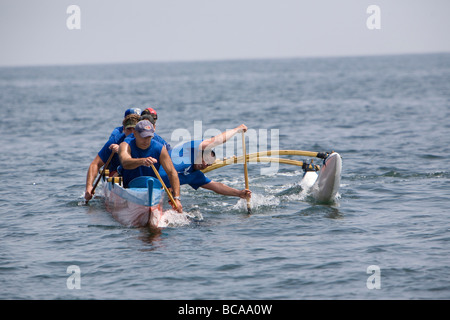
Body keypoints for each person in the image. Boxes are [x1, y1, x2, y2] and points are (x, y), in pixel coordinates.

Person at [159, 124, 252, 200]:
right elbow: (215, 141)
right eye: (205, 160)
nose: (205, 165)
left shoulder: (195, 176)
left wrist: (239, 193)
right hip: (148, 173)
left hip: (156, 189)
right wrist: (237, 129)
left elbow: (216, 186)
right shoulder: (188, 150)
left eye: (208, 164)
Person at [118, 120, 183, 213]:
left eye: (149, 137)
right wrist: (142, 161)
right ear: (135, 134)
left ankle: (152, 211)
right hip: (129, 187)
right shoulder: (125, 145)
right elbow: (125, 162)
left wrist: (177, 198)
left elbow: (172, 172)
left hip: (153, 189)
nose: (146, 140)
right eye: (143, 137)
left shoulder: (159, 148)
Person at [84, 113, 140, 202]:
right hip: (117, 176)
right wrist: (89, 187)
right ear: (124, 129)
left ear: (139, 131)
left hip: (138, 176)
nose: (132, 132)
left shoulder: (146, 141)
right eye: (129, 129)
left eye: (135, 129)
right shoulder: (115, 141)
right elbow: (95, 164)